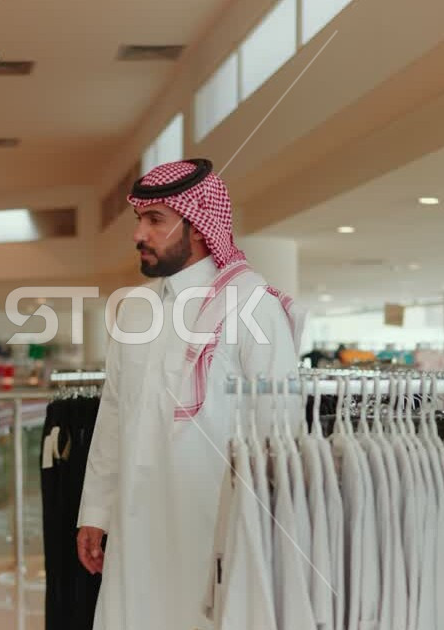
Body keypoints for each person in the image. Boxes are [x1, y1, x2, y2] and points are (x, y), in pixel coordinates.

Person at [76, 159, 304, 629]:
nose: (139, 233)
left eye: (155, 220)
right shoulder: (135, 311)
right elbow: (113, 417)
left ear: (198, 226)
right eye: (140, 219)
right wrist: (95, 510)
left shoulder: (254, 308)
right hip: (136, 525)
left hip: (217, 531)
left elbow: (278, 432)